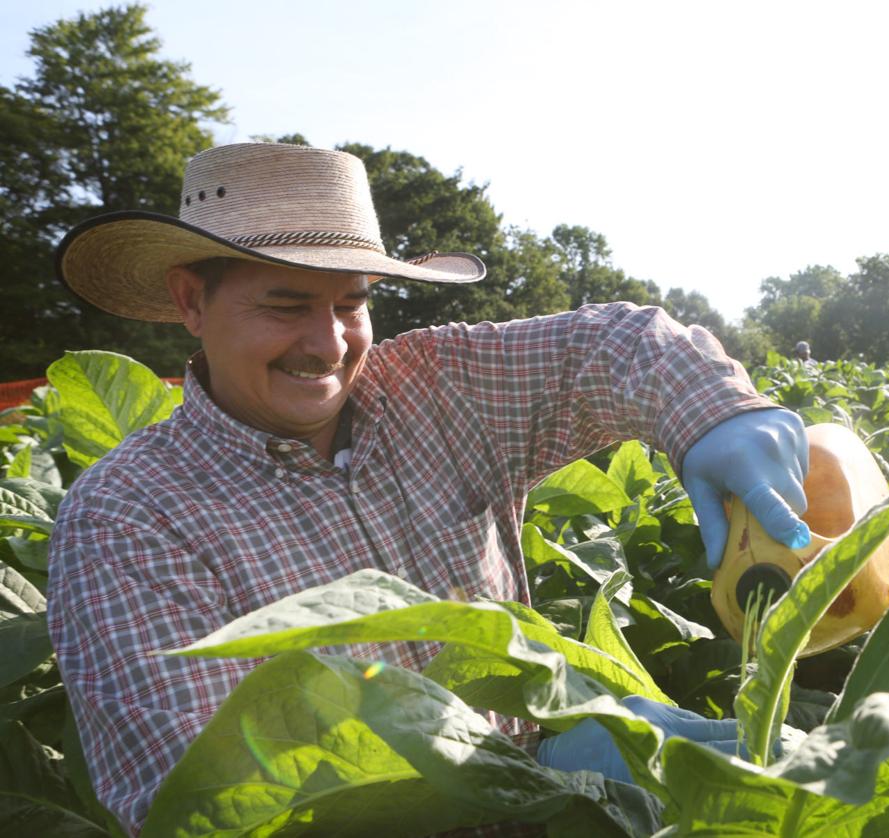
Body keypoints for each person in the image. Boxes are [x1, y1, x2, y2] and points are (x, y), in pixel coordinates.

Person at [47, 142, 811, 835]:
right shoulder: (129, 515)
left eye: (351, 303)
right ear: (191, 302)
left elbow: (608, 344)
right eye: (285, 305)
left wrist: (718, 414)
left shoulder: (436, 387)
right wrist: (504, 782)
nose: (330, 343)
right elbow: (206, 807)